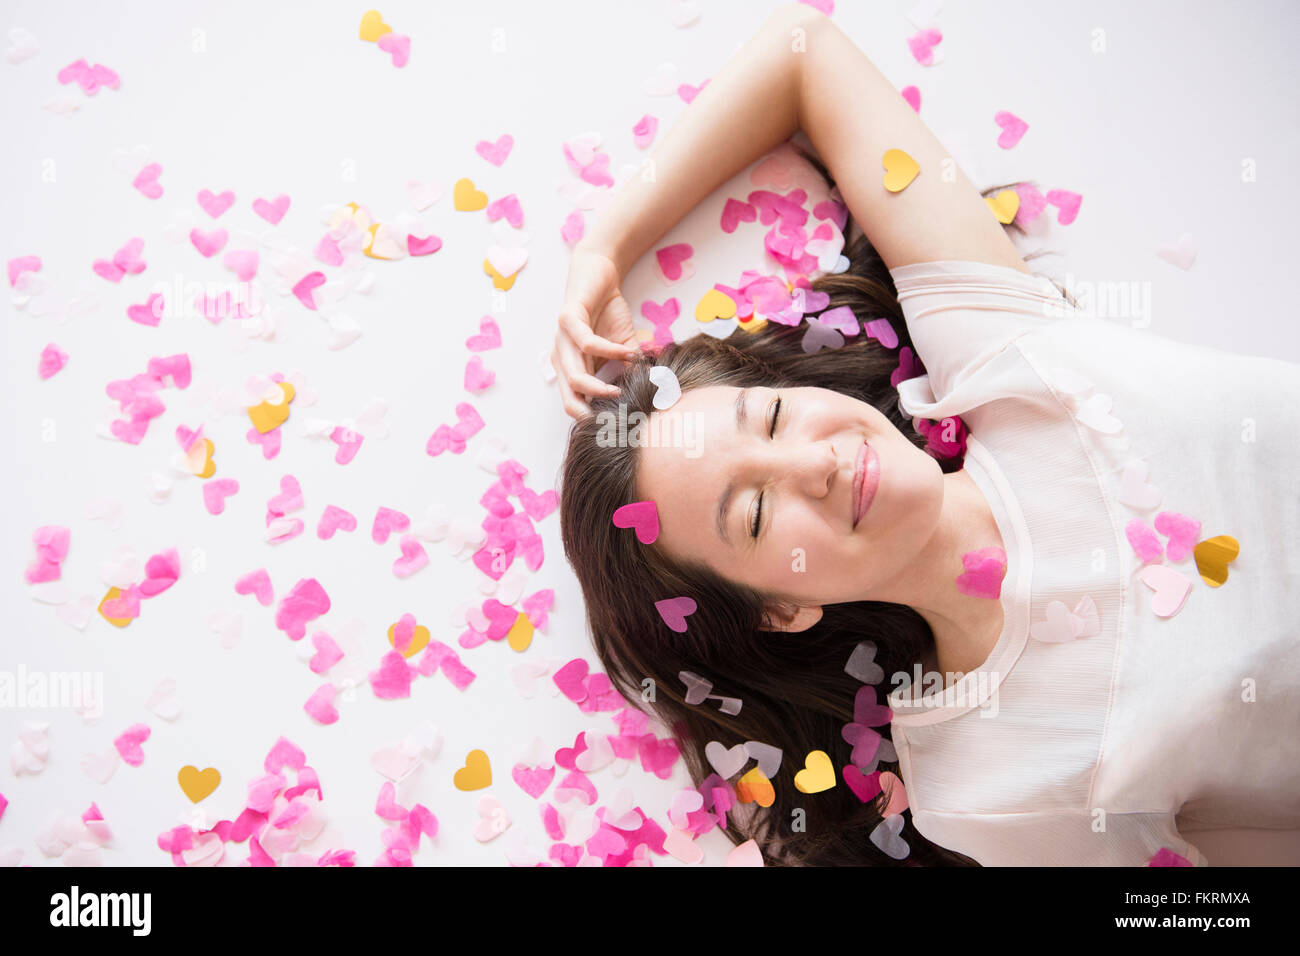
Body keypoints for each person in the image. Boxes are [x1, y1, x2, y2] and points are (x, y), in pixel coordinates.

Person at [552, 4, 1300, 866]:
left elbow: (805, 54)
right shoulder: (983, 787)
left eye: (771, 417)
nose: (815, 464)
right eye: (754, 512)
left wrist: (602, 247)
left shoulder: (1005, 359)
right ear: (782, 611)